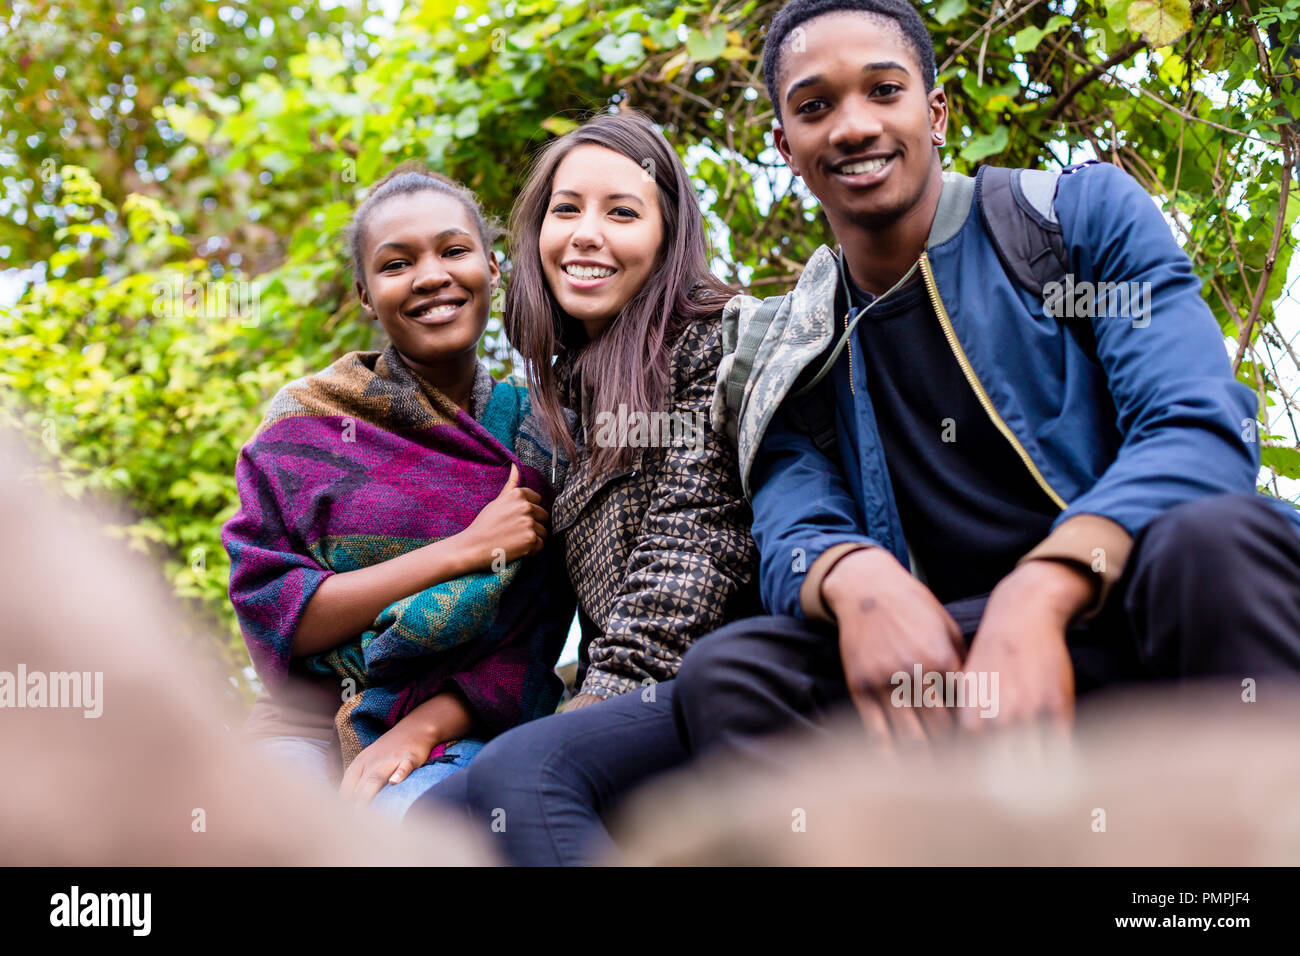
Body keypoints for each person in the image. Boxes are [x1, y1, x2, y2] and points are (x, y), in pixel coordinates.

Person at [672, 0, 1300, 759]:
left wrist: (1044, 585)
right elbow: (793, 528)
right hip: (952, 661)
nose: (853, 126)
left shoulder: (1076, 220)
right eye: (814, 106)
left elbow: (1198, 427)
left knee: (1218, 537)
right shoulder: (788, 348)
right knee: (734, 674)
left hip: (1134, 603)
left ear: (934, 114)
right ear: (785, 144)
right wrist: (853, 580)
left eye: (884, 90)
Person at [414, 110, 760, 862]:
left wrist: (590, 703)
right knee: (432, 819)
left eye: (623, 212)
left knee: (526, 770)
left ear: (669, 237)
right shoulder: (566, 404)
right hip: (634, 687)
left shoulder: (714, 341)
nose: (585, 233)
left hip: (720, 680)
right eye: (565, 209)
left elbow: (694, 555)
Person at [221, 163, 574, 820]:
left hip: (463, 731)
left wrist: (418, 732)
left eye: (453, 250)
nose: (431, 275)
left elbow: (537, 634)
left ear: (492, 268)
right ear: (364, 293)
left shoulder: (539, 432)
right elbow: (278, 611)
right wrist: (466, 549)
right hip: (302, 728)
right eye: (396, 263)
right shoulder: (306, 427)